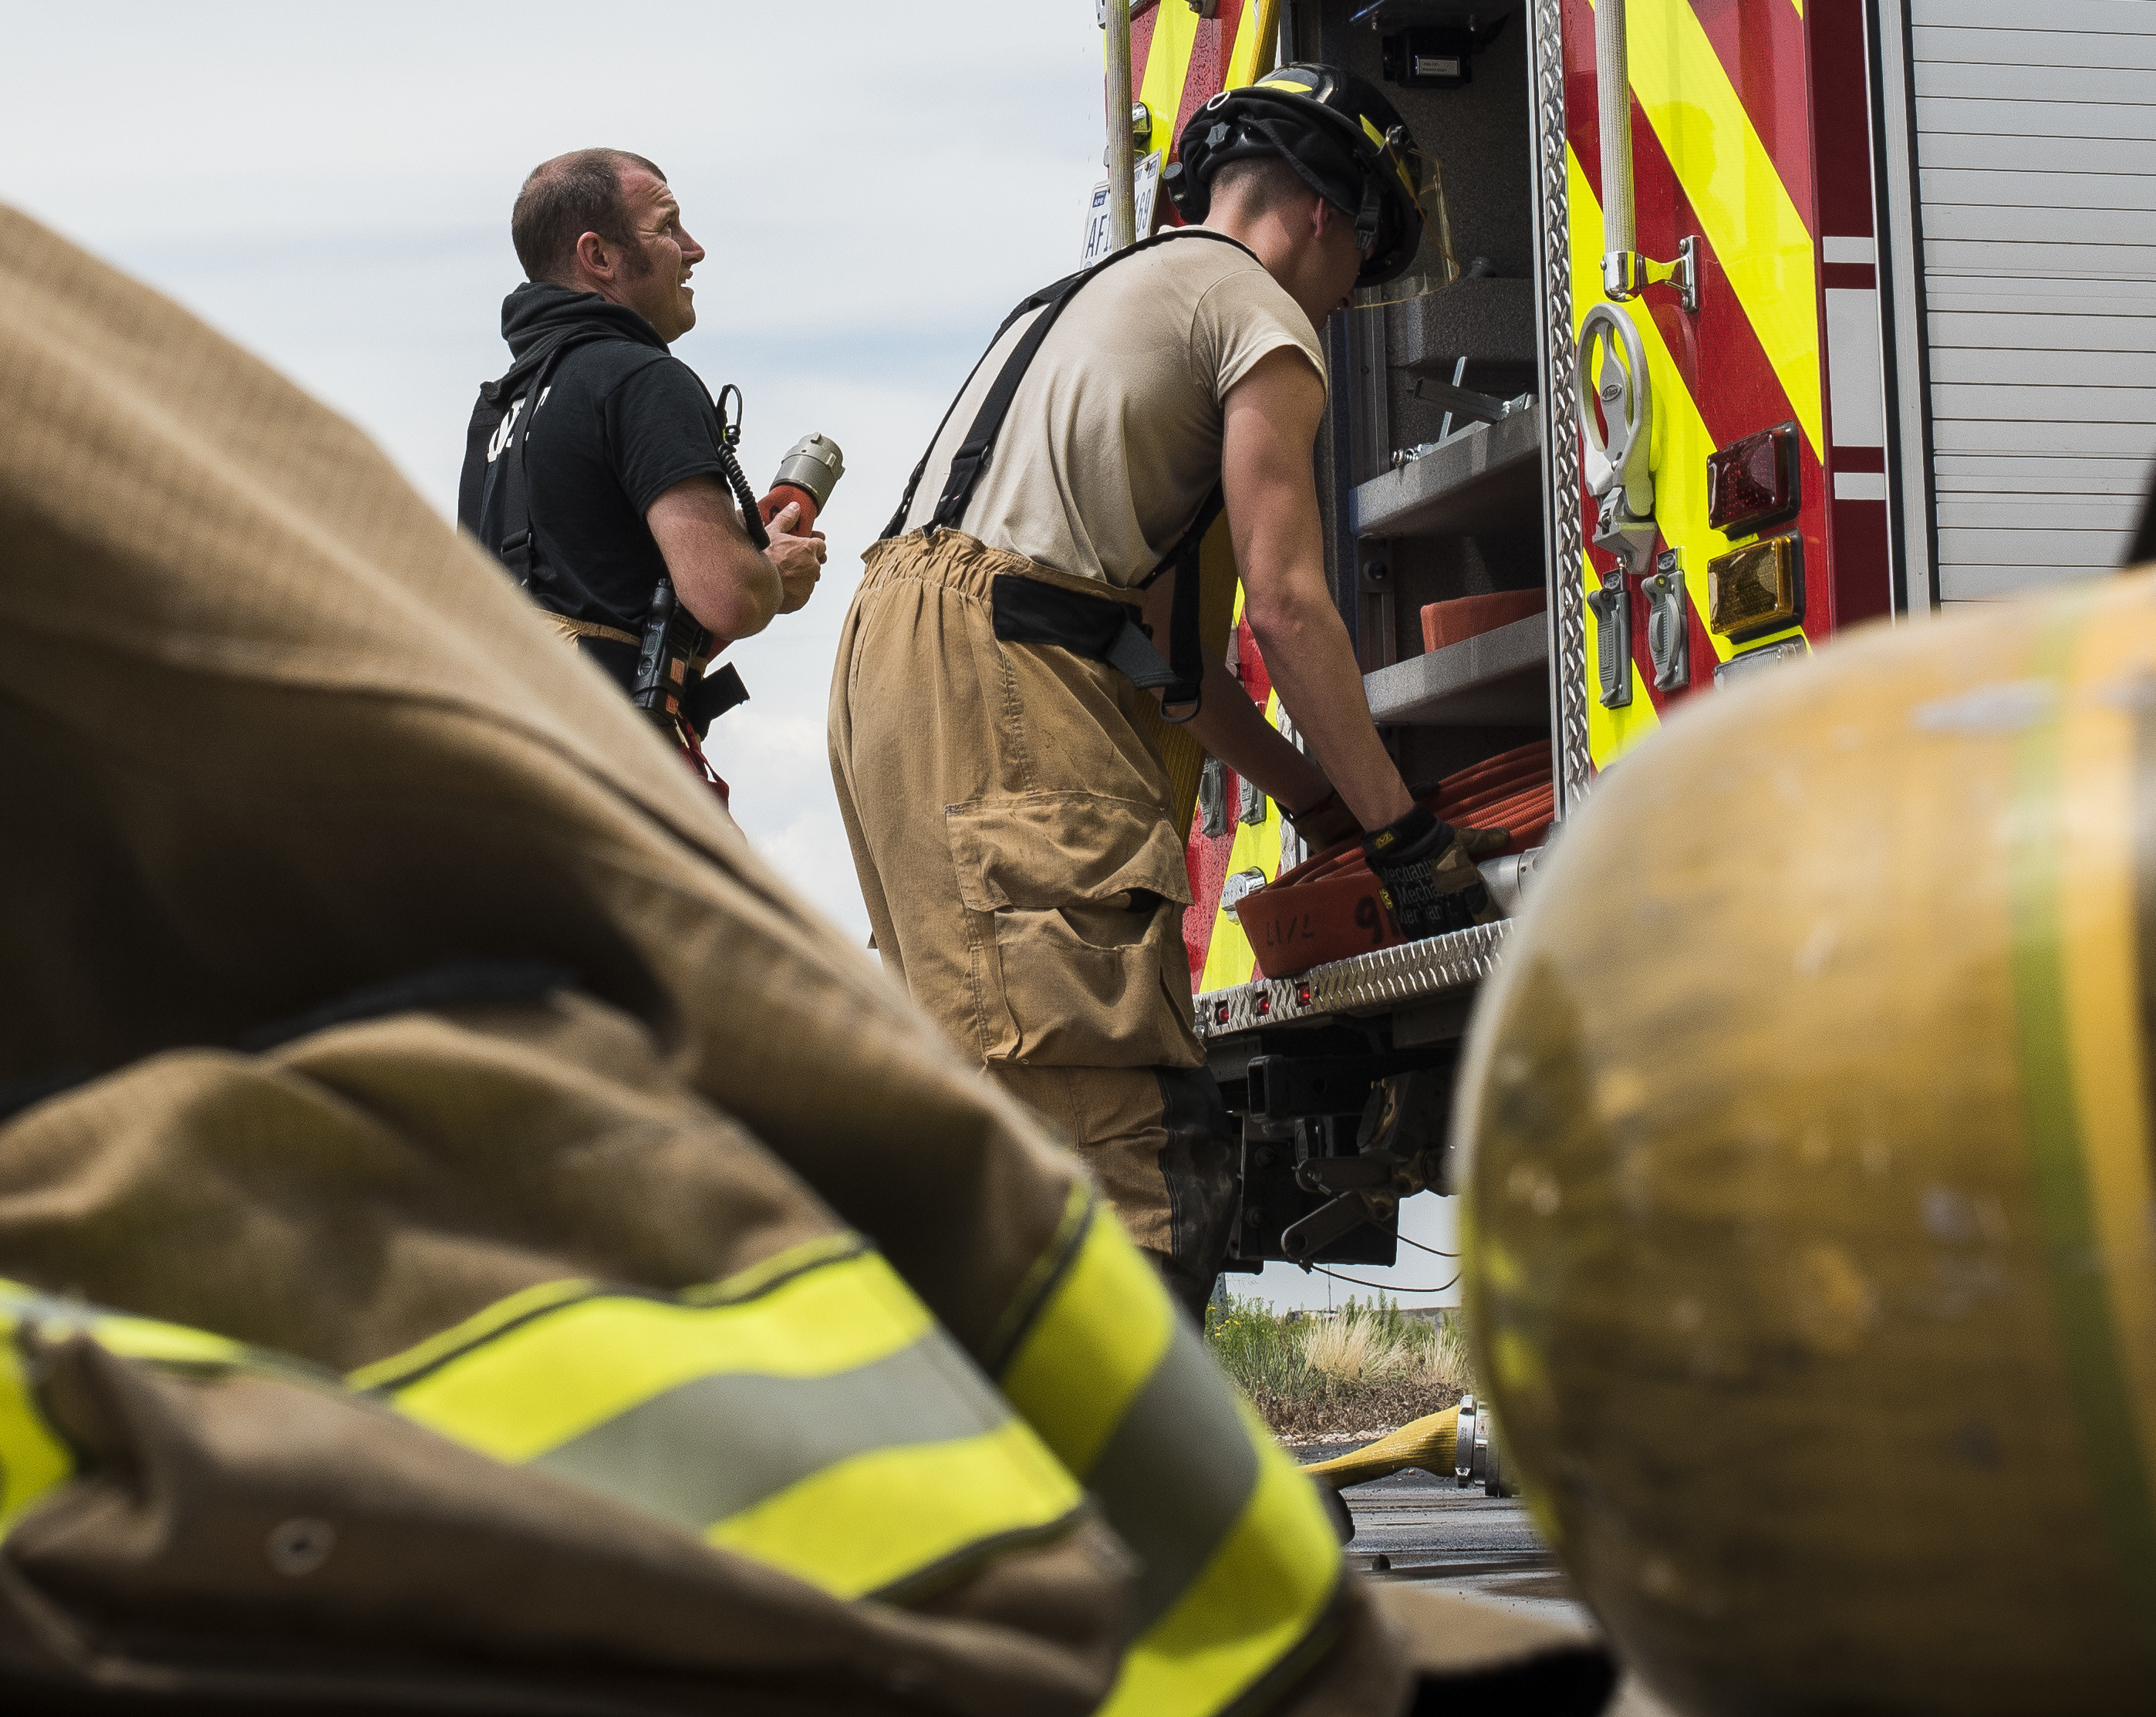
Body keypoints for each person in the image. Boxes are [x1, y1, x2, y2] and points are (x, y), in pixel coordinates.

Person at [825, 65, 1514, 1316]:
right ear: (1323, 214)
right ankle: (1151, 1503)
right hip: (1013, 671)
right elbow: (1289, 599)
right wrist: (1405, 839)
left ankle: (999, 1477)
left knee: (988, 1110)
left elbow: (1176, 669)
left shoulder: (1095, 297)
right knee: (1124, 1144)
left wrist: (1313, 799)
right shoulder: (1259, 311)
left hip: (893, 654)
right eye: (1362, 257)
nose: (1349, 293)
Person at [460, 147, 826, 799]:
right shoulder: (642, 378)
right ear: (597, 256)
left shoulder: (497, 409)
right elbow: (730, 597)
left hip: (499, 769)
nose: (694, 249)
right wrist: (772, 573)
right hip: (617, 771)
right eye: (667, 227)